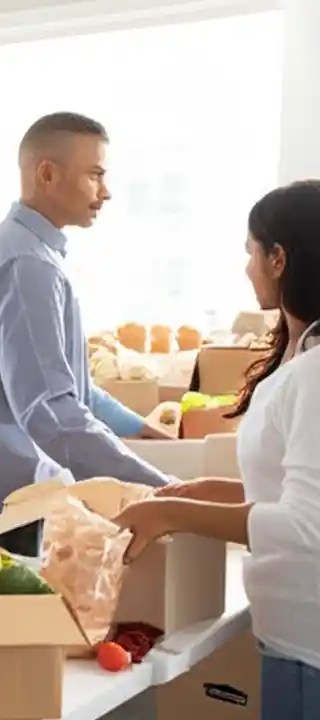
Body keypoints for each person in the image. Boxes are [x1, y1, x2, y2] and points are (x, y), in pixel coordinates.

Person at [113, 181, 320, 720]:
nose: (247, 267)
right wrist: (211, 493)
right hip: (295, 638)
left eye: (251, 251)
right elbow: (295, 490)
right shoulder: (304, 357)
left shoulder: (316, 377)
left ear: (279, 258)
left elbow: (305, 525)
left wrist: (174, 512)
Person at [0, 112, 171, 556]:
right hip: (4, 504)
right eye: (95, 175)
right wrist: (165, 490)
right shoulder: (26, 264)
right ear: (47, 173)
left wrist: (143, 430)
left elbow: (71, 389)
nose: (106, 192)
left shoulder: (31, 252)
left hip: (20, 493)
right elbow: (49, 411)